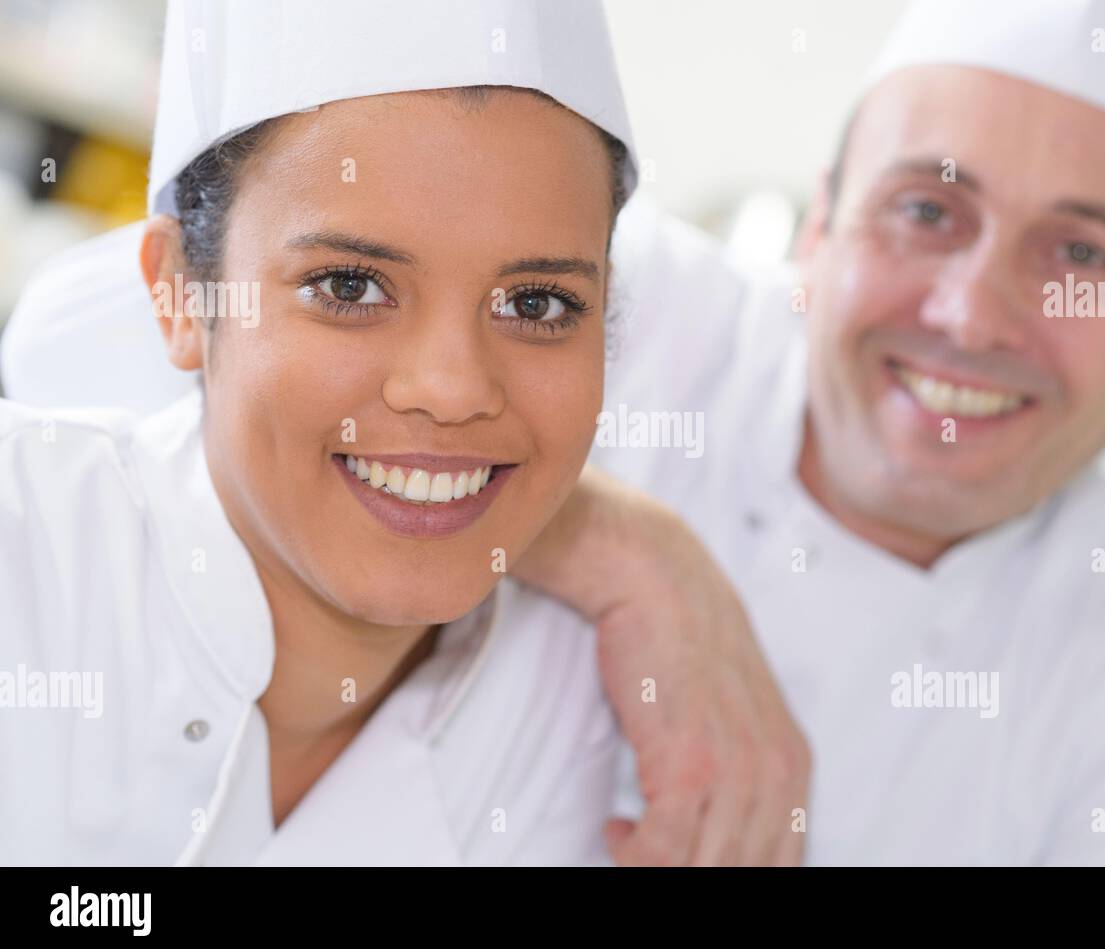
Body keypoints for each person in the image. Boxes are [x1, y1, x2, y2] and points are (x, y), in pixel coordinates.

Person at [0, 0, 807, 866]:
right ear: (180, 293)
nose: (454, 390)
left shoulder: (589, 723)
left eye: (537, 304)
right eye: (348, 286)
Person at [590, 0, 1105, 864]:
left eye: (1083, 256)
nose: (971, 317)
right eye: (927, 211)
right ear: (820, 228)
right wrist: (629, 554)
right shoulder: (616, 311)